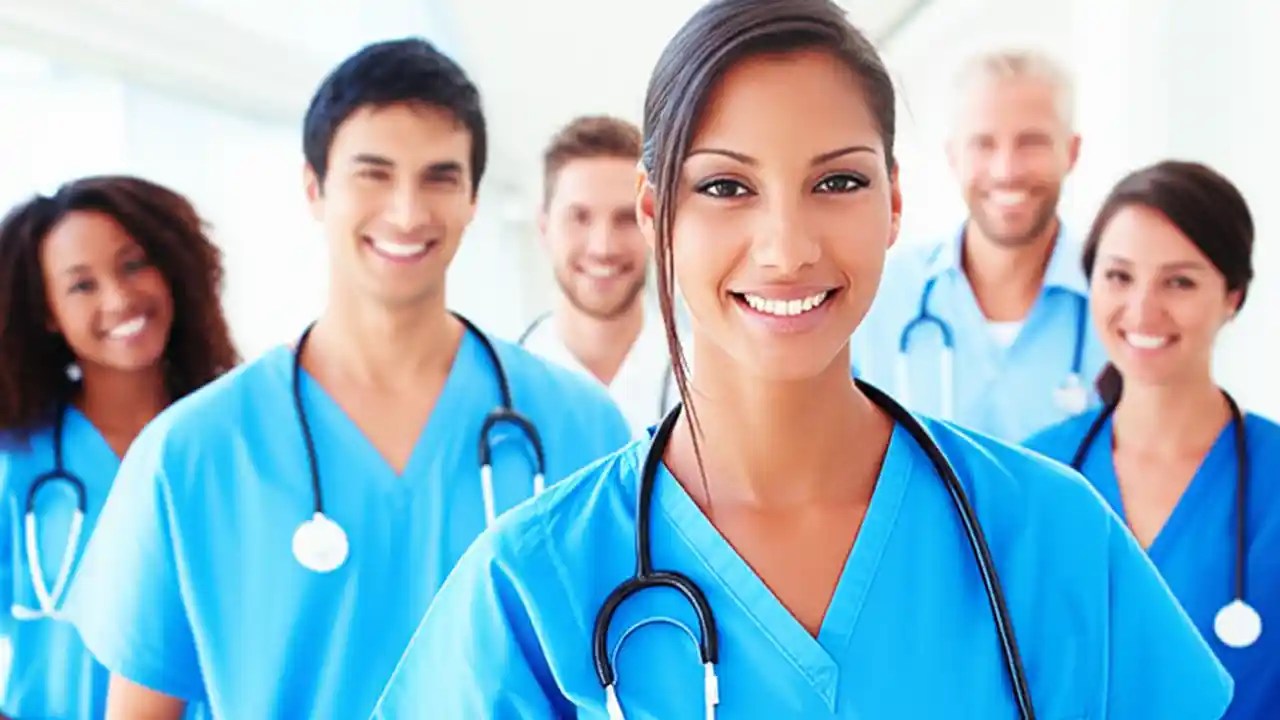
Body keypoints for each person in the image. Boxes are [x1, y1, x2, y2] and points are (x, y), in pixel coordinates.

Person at [370, 2, 1231, 718]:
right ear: (655, 213)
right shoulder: (532, 584)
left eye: (837, 183)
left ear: (895, 202)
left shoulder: (1052, 533)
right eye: (725, 187)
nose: (786, 248)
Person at [59, 38, 631, 719]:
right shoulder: (193, 452)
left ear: (474, 198)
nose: (408, 211)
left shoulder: (580, 425)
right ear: (314, 187)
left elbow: (627, 680)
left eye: (440, 177)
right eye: (373, 173)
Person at [1025, 160, 1278, 718]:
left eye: (1179, 281)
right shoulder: (1032, 473)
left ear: (1232, 296)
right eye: (1119, 276)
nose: (1143, 310)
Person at [0, 175, 238, 720]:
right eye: (81, 285)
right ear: (46, 312)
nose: (119, 297)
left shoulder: (233, 440)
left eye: (134, 265)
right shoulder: (16, 461)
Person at [850, 48, 1106, 443]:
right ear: (953, 156)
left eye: (1032, 142)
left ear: (1071, 152)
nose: (1007, 171)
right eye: (984, 144)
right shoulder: (879, 296)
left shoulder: (1118, 305)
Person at [518, 115, 679, 437]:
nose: (603, 247)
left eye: (626, 218)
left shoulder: (702, 382)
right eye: (579, 217)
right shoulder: (501, 385)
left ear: (655, 226)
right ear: (544, 227)